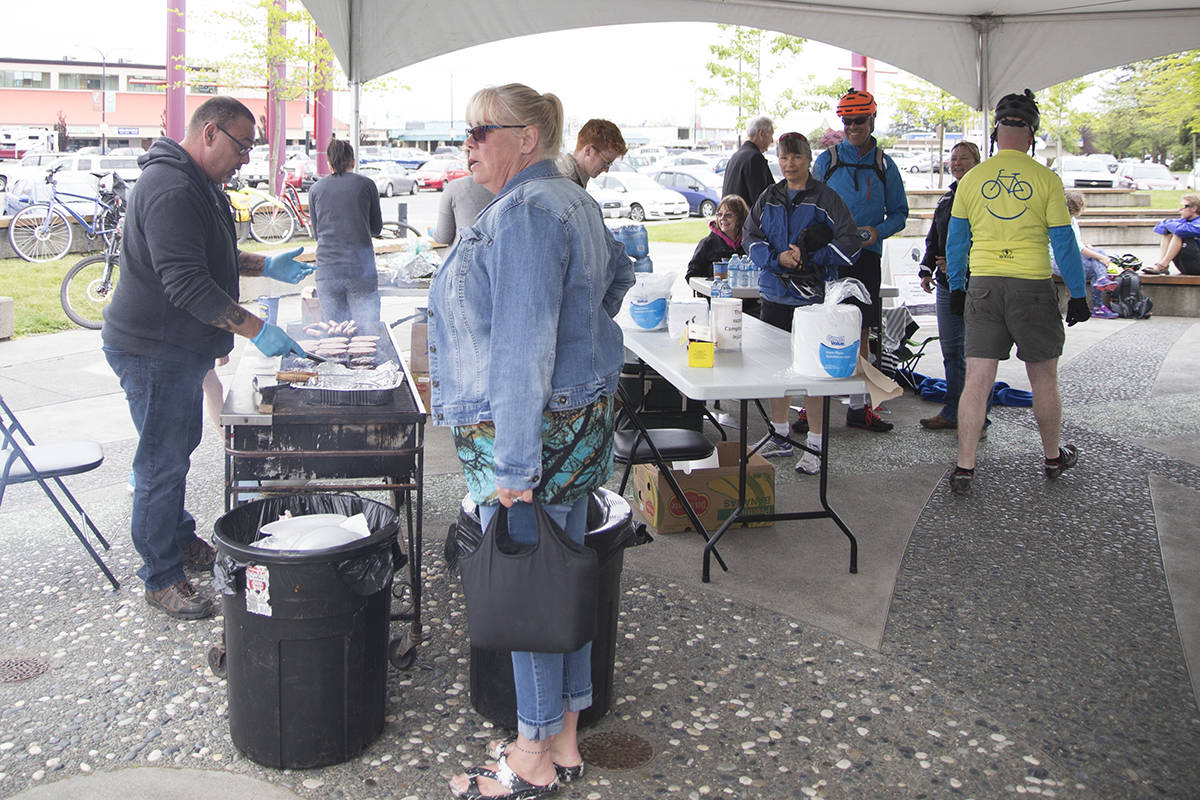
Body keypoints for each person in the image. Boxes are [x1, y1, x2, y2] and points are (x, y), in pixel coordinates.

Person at [430, 83, 634, 800]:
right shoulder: (572, 201)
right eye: (467, 132)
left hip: (530, 436)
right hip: (574, 426)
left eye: (481, 131)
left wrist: (515, 463)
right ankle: (565, 738)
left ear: (527, 138)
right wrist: (583, 347)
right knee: (562, 584)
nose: (469, 144)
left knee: (528, 596)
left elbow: (520, 347)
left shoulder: (522, 214)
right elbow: (619, 275)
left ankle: (533, 752)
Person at [102, 96, 314, 619]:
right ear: (211, 132)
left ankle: (177, 541)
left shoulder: (201, 185)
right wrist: (256, 330)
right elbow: (187, 283)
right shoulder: (171, 188)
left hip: (178, 346)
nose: (246, 158)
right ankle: (160, 575)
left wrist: (264, 263)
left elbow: (210, 256)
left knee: (176, 448)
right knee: (161, 461)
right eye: (242, 146)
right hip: (152, 347)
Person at [944, 89, 1090, 495]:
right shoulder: (1046, 179)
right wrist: (1078, 293)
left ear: (995, 134)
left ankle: (965, 466)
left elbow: (957, 242)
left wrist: (958, 286)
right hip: (1032, 285)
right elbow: (1064, 243)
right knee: (1043, 378)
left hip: (984, 284)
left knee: (977, 379)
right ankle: (1051, 457)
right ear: (1031, 134)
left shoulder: (971, 179)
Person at [743, 132, 861, 474]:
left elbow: (850, 242)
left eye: (796, 157)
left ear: (809, 159)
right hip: (773, 296)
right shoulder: (770, 196)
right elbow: (750, 236)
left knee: (814, 376)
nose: (789, 164)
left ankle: (816, 446)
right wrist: (777, 258)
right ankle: (779, 437)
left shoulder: (826, 197)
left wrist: (809, 256)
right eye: (783, 158)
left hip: (812, 304)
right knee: (774, 371)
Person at [812, 90, 910, 433]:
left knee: (861, 329)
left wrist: (877, 231)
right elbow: (810, 204)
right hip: (830, 256)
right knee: (822, 325)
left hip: (866, 256)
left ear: (872, 120)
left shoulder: (885, 165)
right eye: (847, 121)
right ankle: (810, 409)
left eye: (860, 121)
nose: (853, 127)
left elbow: (900, 214)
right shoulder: (827, 160)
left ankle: (858, 406)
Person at [918, 141, 996, 429]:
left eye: (964, 158)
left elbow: (989, 240)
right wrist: (927, 269)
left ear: (977, 162)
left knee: (977, 353)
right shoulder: (947, 198)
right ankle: (953, 411)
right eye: (953, 159)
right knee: (951, 352)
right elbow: (934, 238)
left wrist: (960, 264)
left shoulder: (988, 199)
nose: (958, 163)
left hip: (977, 285)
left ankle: (979, 418)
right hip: (947, 286)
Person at [307, 138, 383, 322]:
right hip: (360, 271)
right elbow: (376, 228)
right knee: (367, 329)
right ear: (353, 162)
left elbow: (317, 234)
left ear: (329, 163)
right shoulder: (366, 185)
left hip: (327, 271)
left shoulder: (316, 189)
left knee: (334, 331)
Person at [1050, 190, 1118, 318]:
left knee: (1096, 259)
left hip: (1064, 259)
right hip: (1057, 263)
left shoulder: (1068, 219)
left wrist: (1090, 250)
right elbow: (1078, 248)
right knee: (1096, 265)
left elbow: (1078, 245)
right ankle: (1098, 305)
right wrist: (1101, 257)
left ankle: (1102, 281)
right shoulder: (1064, 222)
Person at [685, 194, 749, 281]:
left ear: (740, 217)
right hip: (714, 292)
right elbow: (691, 276)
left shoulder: (750, 243)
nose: (722, 218)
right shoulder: (707, 243)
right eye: (719, 214)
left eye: (728, 215)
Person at [558, 118, 627, 189]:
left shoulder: (577, 177)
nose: (606, 170)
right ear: (588, 151)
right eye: (606, 163)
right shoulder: (565, 182)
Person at [722, 115, 774, 208]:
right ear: (761, 134)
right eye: (771, 135)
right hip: (746, 220)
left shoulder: (736, 156)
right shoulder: (755, 158)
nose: (772, 141)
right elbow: (761, 200)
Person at [1143, 193, 1200, 275]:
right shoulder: (1183, 221)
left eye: (1183, 206)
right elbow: (1158, 228)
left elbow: (1181, 230)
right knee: (1168, 233)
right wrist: (1168, 224)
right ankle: (1163, 265)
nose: (1179, 209)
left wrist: (1168, 224)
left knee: (1178, 233)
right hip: (1188, 264)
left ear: (1194, 208)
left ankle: (1161, 265)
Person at [433, 174, 494, 246]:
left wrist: (433, 233)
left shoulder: (456, 186)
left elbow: (443, 237)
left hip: (462, 254)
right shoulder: (507, 188)